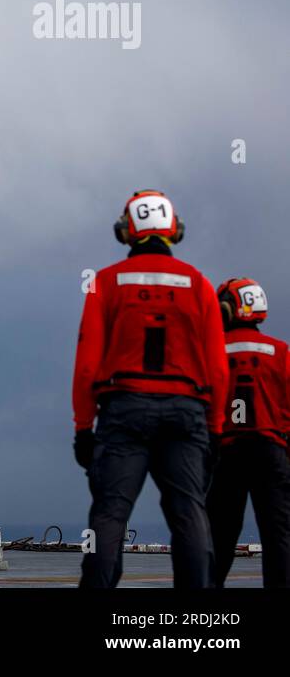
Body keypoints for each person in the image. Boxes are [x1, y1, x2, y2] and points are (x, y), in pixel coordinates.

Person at [72, 190, 227, 588]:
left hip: (123, 410)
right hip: (186, 411)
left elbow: (88, 361)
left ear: (126, 231)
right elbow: (217, 368)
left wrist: (83, 428)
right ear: (175, 230)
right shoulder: (200, 285)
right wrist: (216, 428)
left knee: (109, 514)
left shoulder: (105, 282)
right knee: (190, 512)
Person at [206, 278, 290, 587]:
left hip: (228, 451)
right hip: (271, 451)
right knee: (278, 535)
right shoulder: (280, 351)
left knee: (221, 533)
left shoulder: (215, 350)